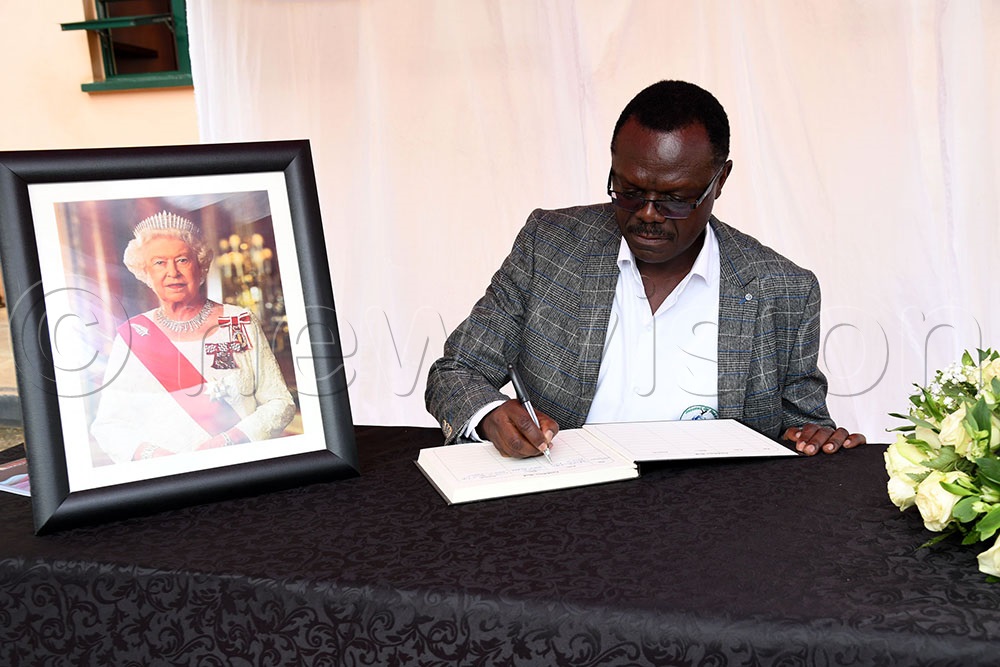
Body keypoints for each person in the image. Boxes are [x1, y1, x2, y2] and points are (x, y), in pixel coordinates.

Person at [425, 80, 866, 458]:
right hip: (562, 509)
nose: (649, 214)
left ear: (721, 181)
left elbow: (801, 429)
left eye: (675, 198)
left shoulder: (783, 288)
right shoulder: (551, 246)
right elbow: (455, 371)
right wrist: (489, 415)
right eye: (630, 191)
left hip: (718, 526)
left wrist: (812, 440)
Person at [91, 211, 296, 463]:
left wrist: (230, 440)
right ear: (145, 273)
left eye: (182, 260)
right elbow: (109, 424)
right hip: (166, 476)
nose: (172, 271)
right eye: (159, 263)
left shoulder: (238, 321)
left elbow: (280, 402)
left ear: (200, 266)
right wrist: (153, 456)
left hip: (239, 465)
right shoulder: (134, 335)